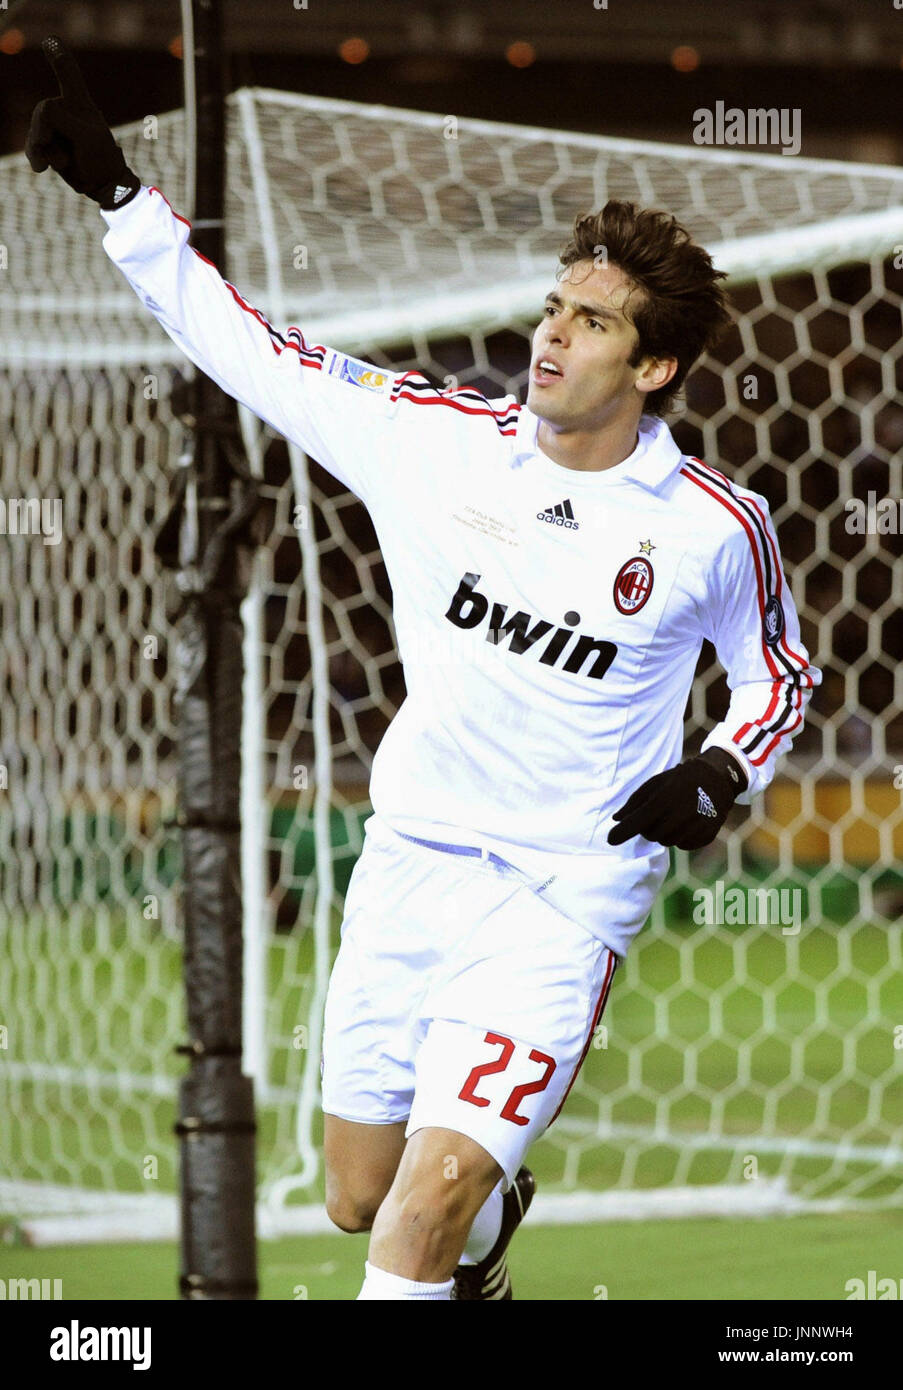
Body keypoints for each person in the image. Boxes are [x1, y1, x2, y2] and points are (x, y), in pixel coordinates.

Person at [27, 37, 821, 1301]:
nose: (553, 335)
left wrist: (724, 767)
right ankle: (491, 1228)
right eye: (558, 305)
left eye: (594, 322)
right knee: (358, 1195)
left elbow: (781, 675)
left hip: (564, 893)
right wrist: (126, 205)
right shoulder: (437, 442)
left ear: (655, 368)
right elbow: (256, 352)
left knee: (419, 1210)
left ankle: (463, 1212)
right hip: (413, 856)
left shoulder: (714, 527)